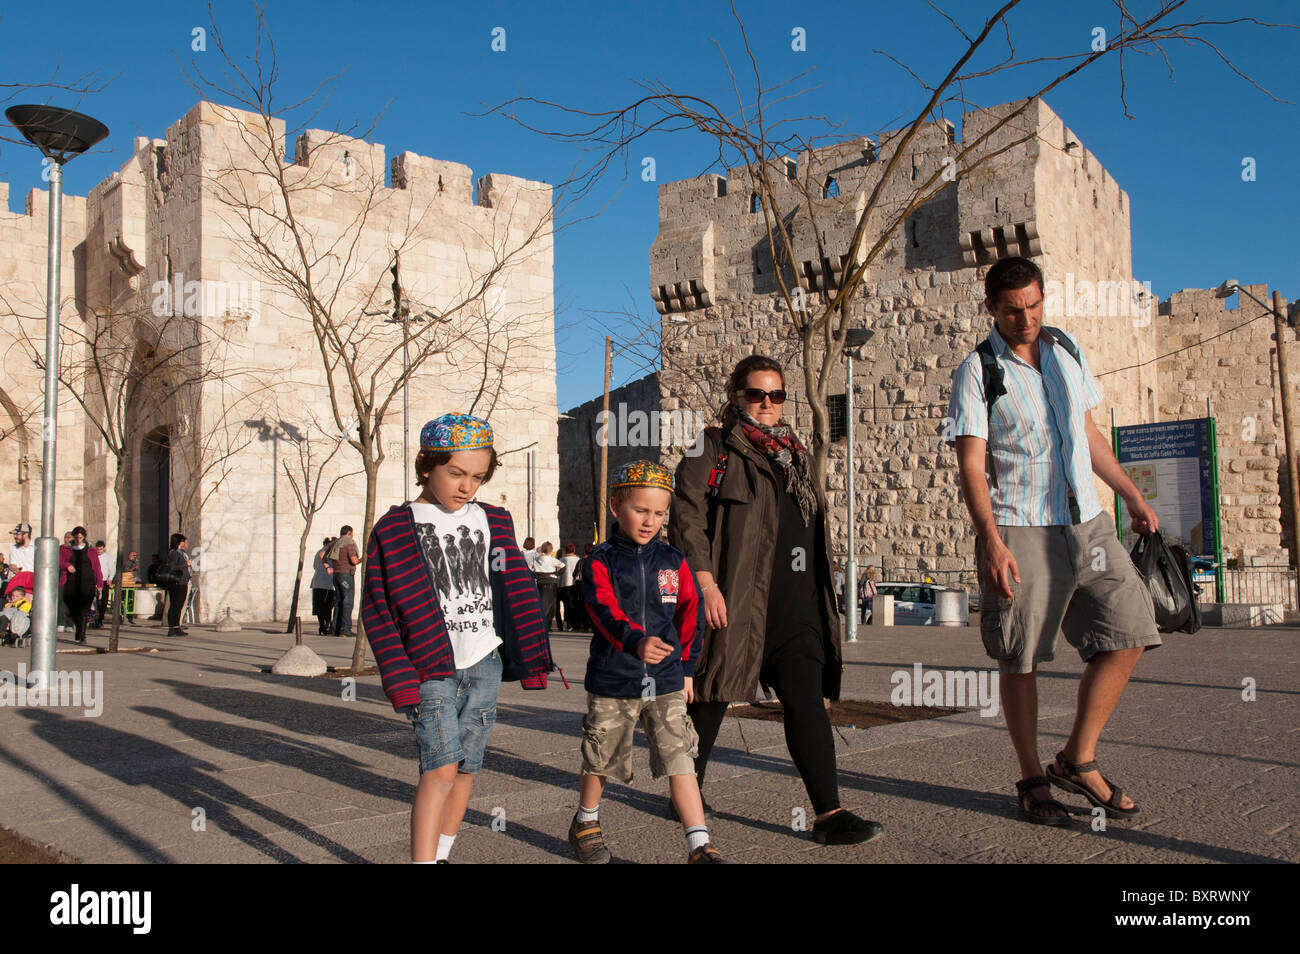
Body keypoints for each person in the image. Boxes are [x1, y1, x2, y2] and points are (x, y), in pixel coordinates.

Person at [946, 256, 1162, 826]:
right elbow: (971, 464)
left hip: (1088, 519)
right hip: (1021, 524)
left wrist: (1131, 495)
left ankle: (1077, 758)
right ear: (991, 308)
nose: (1027, 318)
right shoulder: (977, 371)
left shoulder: (1065, 348)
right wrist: (990, 539)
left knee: (1132, 630)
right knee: (1021, 657)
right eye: (1014, 310)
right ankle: (1031, 777)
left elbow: (1087, 434)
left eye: (1035, 305)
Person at [670, 354, 883, 845]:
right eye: (755, 394)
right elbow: (686, 517)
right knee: (711, 697)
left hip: (798, 606)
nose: (766, 404)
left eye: (776, 395)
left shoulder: (796, 454)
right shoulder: (714, 448)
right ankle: (686, 792)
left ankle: (829, 814)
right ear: (736, 396)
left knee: (807, 702)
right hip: (737, 600)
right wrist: (704, 582)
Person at [361, 413, 553, 863]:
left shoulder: (495, 521)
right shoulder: (393, 528)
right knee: (440, 767)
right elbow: (377, 609)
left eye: (478, 477)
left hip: (485, 661)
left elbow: (517, 592)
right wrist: (399, 676)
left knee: (467, 767)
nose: (467, 486)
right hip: (429, 665)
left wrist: (533, 657)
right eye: (456, 473)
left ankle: (442, 853)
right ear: (427, 465)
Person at [570, 460, 720, 864]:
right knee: (602, 756)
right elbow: (602, 609)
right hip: (614, 677)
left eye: (658, 513)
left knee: (680, 757)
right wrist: (635, 642)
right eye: (640, 510)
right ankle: (586, 821)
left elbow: (691, 613)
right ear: (616, 506)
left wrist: (687, 668)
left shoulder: (675, 561)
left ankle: (699, 844)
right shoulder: (599, 560)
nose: (650, 520)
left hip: (668, 677)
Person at [59, 526, 103, 645]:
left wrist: (99, 583)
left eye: (81, 538)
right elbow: (60, 562)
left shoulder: (91, 550)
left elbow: (96, 567)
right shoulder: (65, 548)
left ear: (84, 537)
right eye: (76, 537)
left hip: (87, 583)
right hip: (71, 582)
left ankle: (82, 635)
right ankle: (78, 628)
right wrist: (67, 565)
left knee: (84, 609)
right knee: (71, 608)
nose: (79, 540)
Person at [327, 527, 361, 636]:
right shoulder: (348, 543)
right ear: (349, 533)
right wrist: (364, 558)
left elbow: (322, 555)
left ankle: (335, 629)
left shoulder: (335, 543)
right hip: (346, 575)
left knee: (338, 602)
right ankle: (345, 629)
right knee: (347, 602)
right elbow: (354, 560)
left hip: (336, 575)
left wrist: (328, 567)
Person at [164, 533, 192, 637]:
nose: (187, 543)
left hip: (182, 581)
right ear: (181, 543)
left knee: (178, 605)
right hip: (177, 583)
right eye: (185, 541)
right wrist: (186, 564)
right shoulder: (175, 553)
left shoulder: (180, 553)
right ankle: (173, 627)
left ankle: (176, 626)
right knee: (176, 605)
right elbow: (172, 567)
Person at [533, 541, 563, 632]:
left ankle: (541, 624)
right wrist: (556, 574)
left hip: (541, 583)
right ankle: (548, 625)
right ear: (551, 550)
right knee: (552, 606)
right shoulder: (553, 560)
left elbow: (530, 568)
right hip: (552, 583)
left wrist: (536, 576)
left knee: (542, 604)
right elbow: (563, 567)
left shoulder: (537, 559)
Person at [311, 537, 336, 635]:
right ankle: (326, 626)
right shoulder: (329, 554)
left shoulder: (318, 553)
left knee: (319, 606)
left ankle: (321, 626)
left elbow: (314, 566)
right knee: (327, 606)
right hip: (327, 584)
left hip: (316, 583)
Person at [93, 540, 117, 629]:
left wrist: (110, 578)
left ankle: (100, 618)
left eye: (101, 549)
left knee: (104, 601)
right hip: (95, 581)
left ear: (104, 548)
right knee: (95, 601)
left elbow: (112, 568)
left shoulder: (108, 557)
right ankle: (94, 617)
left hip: (104, 581)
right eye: (98, 549)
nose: (99, 551)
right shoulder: (94, 556)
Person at [558, 542, 581, 632]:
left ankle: (569, 623)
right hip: (574, 584)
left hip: (564, 584)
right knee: (574, 605)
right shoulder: (578, 559)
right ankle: (575, 623)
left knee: (567, 605)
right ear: (574, 550)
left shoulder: (562, 560)